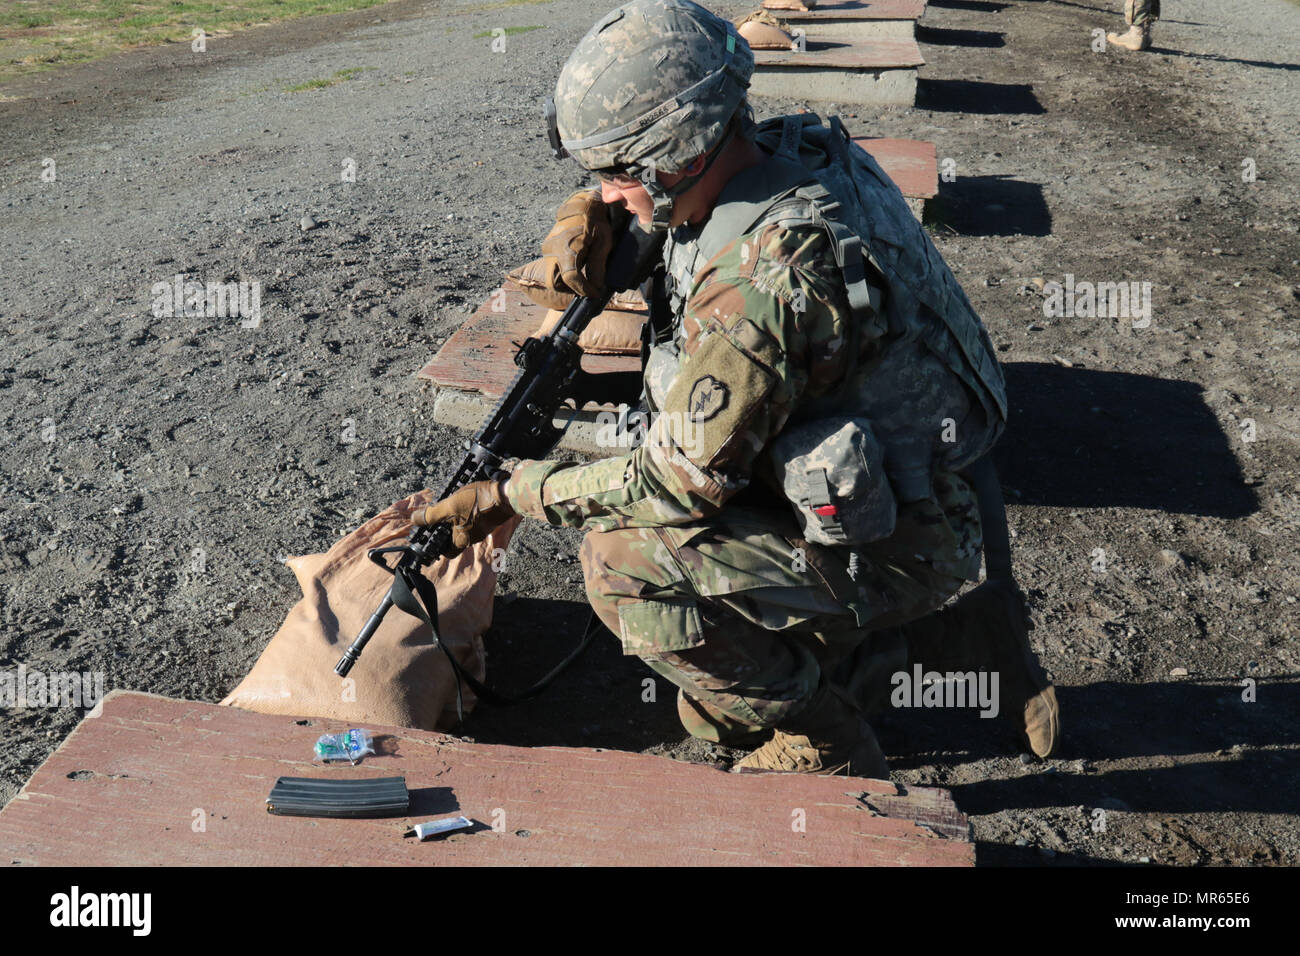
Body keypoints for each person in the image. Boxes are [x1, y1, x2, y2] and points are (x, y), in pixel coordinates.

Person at [414, 0, 1059, 776]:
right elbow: (690, 230)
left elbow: (673, 486)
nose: (609, 188)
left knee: (627, 567)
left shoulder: (771, 277)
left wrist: (514, 494)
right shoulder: (778, 151)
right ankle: (942, 650)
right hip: (875, 482)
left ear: (674, 155)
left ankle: (831, 742)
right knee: (713, 712)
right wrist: (590, 217)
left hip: (905, 533)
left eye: (619, 171)